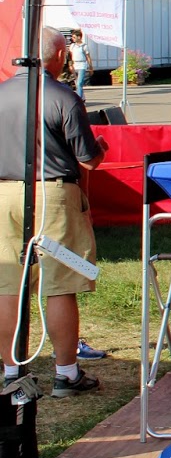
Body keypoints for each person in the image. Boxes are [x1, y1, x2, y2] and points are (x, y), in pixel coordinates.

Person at [1, 27, 107, 396]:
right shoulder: (63, 96)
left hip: (3, 195)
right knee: (61, 282)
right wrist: (102, 148)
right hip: (54, 197)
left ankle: (11, 371)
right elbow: (88, 160)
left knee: (8, 284)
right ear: (59, 56)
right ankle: (66, 373)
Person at [68, 30, 92, 99]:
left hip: (82, 65)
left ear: (79, 37)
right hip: (75, 64)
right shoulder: (72, 46)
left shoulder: (84, 46)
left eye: (74, 37)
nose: (73, 38)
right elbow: (70, 56)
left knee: (79, 83)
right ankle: (82, 97)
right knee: (76, 83)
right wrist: (70, 65)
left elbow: (88, 57)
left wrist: (90, 67)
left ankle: (79, 99)